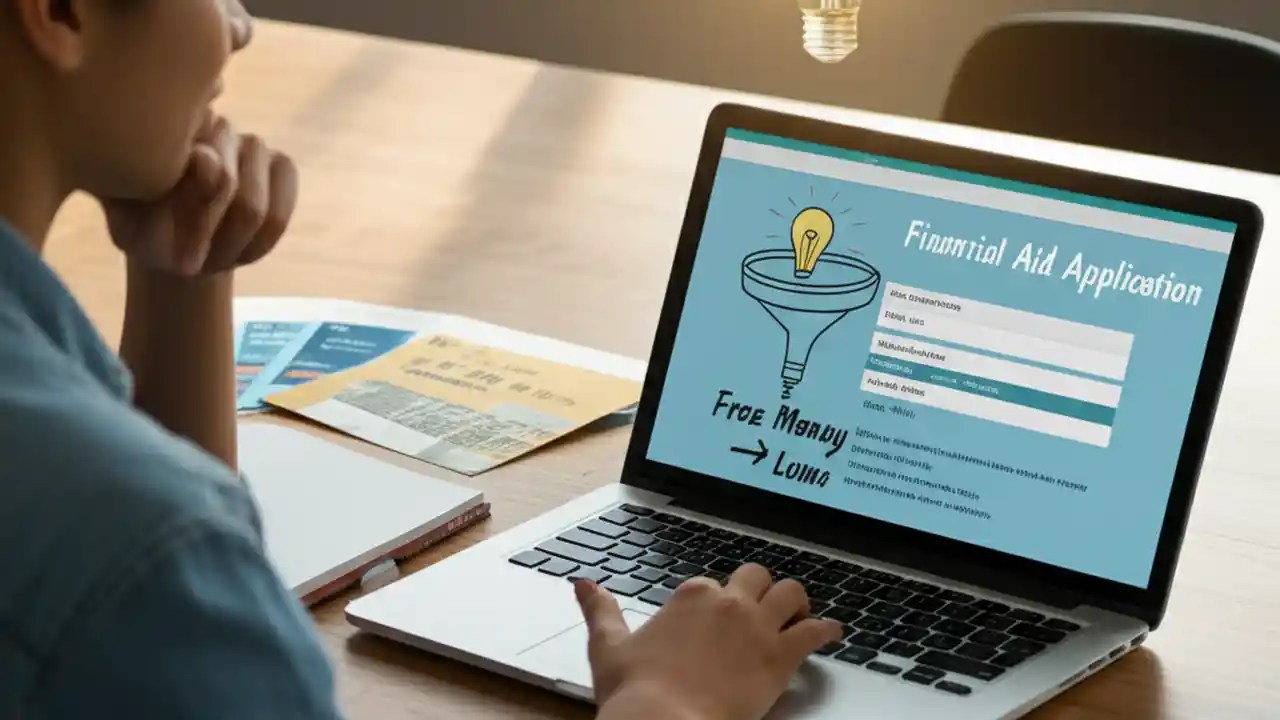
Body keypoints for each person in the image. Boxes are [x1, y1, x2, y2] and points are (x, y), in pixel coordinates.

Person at [0, 1, 841, 718]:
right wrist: (666, 702)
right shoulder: (144, 543)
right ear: (63, 11)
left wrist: (184, 271)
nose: (239, 24)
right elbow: (158, 559)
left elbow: (160, 611)